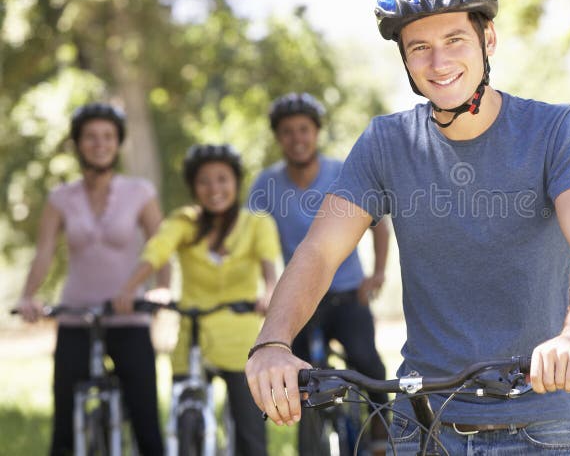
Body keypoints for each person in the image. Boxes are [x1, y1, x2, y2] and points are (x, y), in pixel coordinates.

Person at [245, 0, 570, 455]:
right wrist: (272, 342)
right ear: (404, 59)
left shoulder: (553, 131)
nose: (438, 64)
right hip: (422, 426)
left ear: (488, 41)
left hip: (539, 425)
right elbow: (319, 251)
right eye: (420, 48)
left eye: (454, 41)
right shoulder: (387, 142)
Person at [14, 102, 167, 456]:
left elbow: (161, 247)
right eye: (91, 137)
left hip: (129, 314)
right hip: (75, 314)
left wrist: (162, 287)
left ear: (118, 143)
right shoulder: (60, 198)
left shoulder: (140, 192)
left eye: (108, 137)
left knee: (147, 424)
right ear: (78, 143)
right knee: (64, 427)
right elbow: (44, 254)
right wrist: (29, 295)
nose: (100, 144)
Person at [114, 144, 280, 456]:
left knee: (251, 436)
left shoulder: (257, 224)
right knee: (180, 418)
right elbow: (156, 251)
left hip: (241, 339)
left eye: (222, 179)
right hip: (192, 337)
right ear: (193, 187)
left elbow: (269, 266)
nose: (214, 188)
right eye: (204, 181)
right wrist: (129, 288)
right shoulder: (183, 222)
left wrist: (269, 294)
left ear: (236, 182)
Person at [248, 92, 390, 454]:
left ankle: (380, 435)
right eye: (287, 132)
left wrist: (376, 275)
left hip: (346, 293)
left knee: (367, 362)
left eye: (304, 129)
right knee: (298, 377)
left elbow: (379, 225)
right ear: (278, 138)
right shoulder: (266, 185)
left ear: (316, 132)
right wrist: (263, 288)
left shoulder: (341, 171)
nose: (297, 138)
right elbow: (252, 240)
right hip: (299, 299)